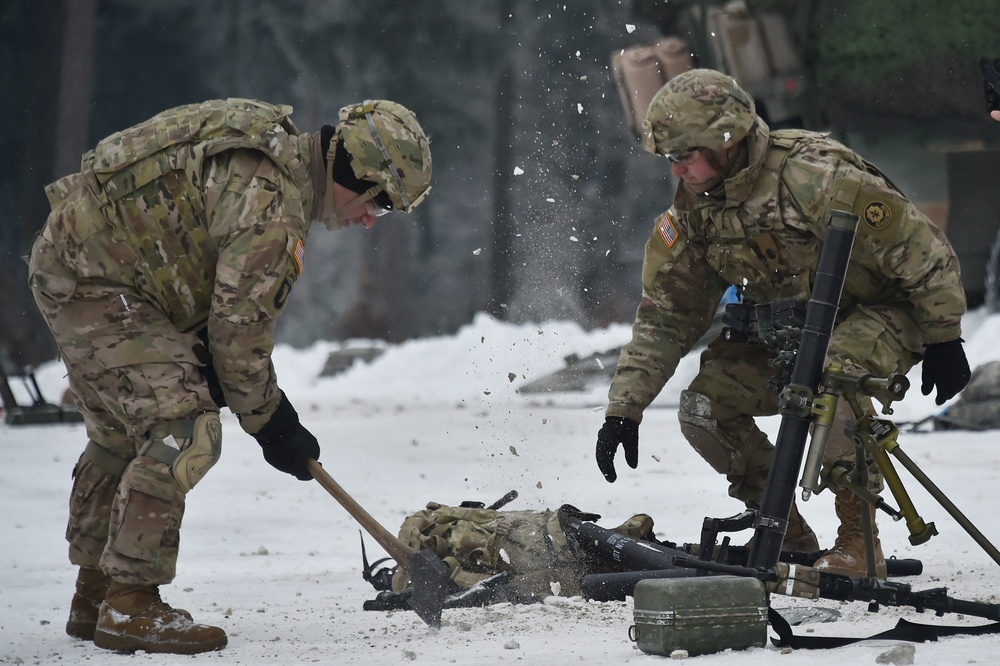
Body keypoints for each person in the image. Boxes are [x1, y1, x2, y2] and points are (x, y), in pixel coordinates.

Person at [28, 98, 432, 654]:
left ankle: (95, 596)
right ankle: (130, 603)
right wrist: (273, 423)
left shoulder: (269, 146)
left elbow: (188, 252)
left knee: (121, 433)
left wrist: (213, 360)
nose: (369, 220)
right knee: (184, 427)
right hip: (97, 283)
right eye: (380, 203)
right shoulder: (275, 209)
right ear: (356, 173)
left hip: (80, 263)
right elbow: (239, 336)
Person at [595, 69, 970, 578]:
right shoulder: (695, 212)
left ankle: (861, 542)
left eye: (685, 155)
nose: (677, 170)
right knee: (704, 408)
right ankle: (784, 533)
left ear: (725, 140)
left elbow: (924, 252)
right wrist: (625, 408)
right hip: (791, 331)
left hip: (879, 311)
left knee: (833, 375)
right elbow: (666, 316)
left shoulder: (815, 176)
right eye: (670, 159)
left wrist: (945, 337)